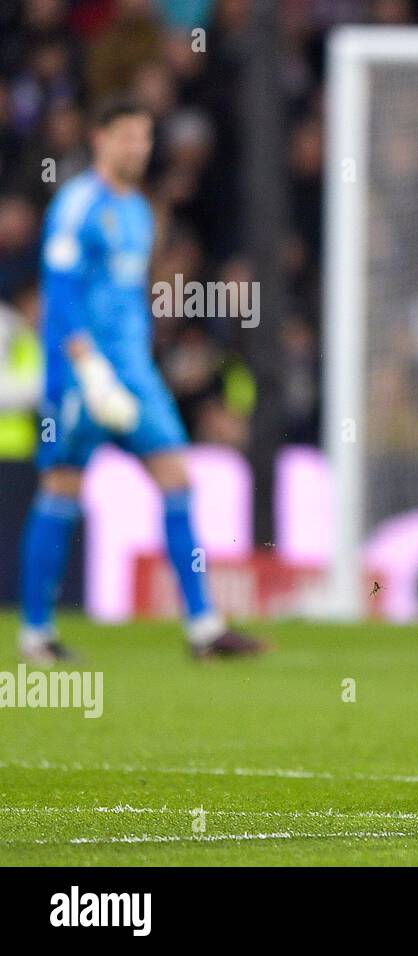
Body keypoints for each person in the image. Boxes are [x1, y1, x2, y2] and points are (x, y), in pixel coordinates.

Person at [18, 98, 264, 664]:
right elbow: (60, 296)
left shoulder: (140, 212)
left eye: (144, 138)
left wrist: (136, 361)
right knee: (60, 491)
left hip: (134, 374)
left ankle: (203, 627)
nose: (137, 148)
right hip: (81, 378)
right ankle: (36, 632)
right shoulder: (77, 205)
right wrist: (88, 366)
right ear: (100, 138)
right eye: (126, 136)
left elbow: (128, 298)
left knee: (178, 479)